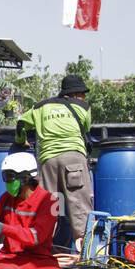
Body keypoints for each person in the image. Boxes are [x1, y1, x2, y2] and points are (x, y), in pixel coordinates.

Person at [15, 74, 94, 247]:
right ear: (75, 94)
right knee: (78, 203)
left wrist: (21, 141)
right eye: (82, 93)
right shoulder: (83, 107)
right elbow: (86, 127)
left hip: (48, 161)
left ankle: (43, 249)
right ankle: (85, 252)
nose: (84, 97)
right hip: (74, 159)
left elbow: (21, 123)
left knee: (48, 205)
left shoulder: (40, 107)